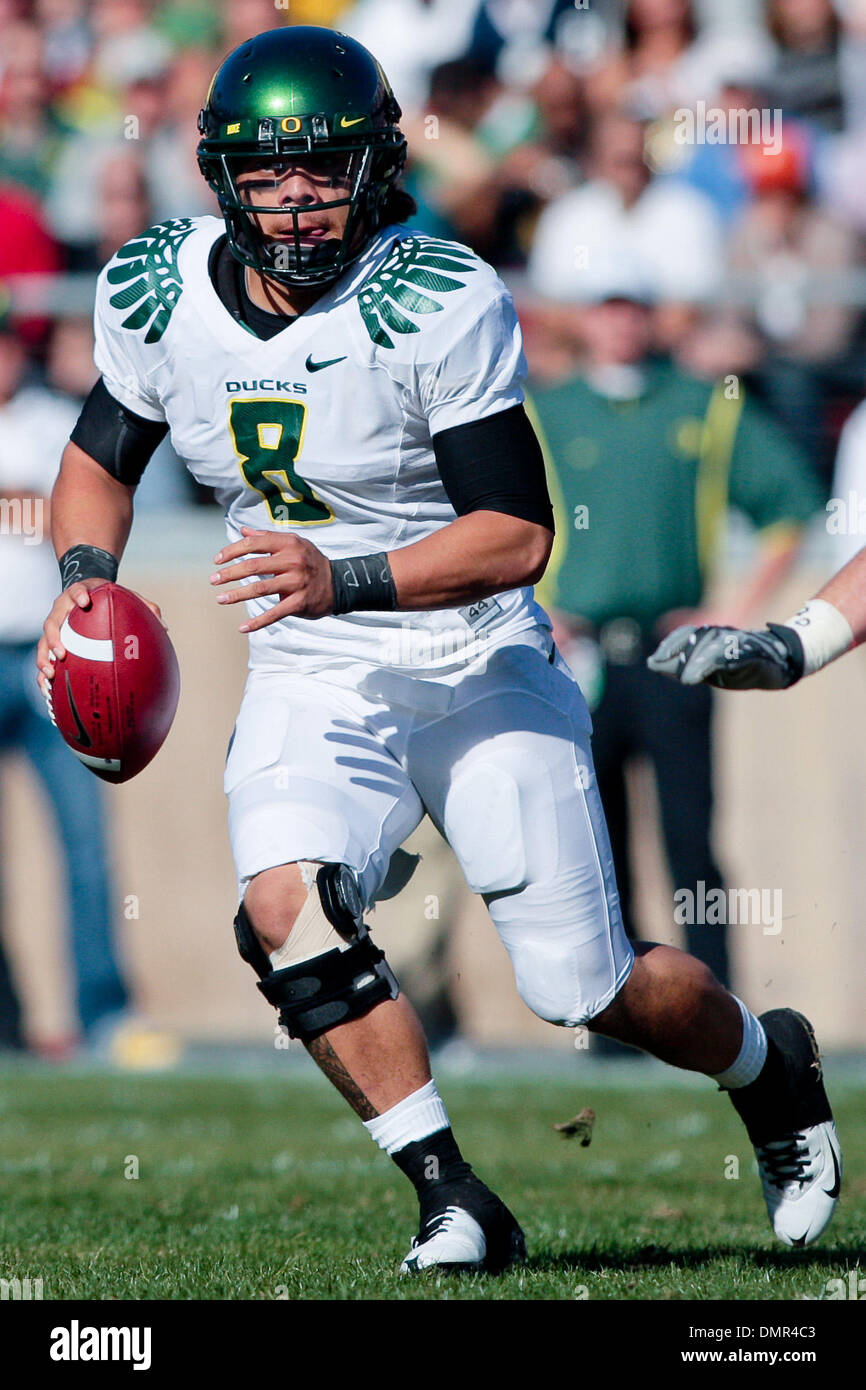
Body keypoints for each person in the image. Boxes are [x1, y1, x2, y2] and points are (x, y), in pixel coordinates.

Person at [38, 25, 840, 1271]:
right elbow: (95, 462)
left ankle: (764, 1062)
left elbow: (516, 537)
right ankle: (450, 1193)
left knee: (584, 985)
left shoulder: (435, 294)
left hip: (472, 657)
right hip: (315, 668)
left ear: (374, 167)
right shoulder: (156, 286)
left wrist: (340, 573)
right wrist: (87, 581)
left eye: (321, 168)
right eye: (269, 170)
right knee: (284, 912)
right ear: (220, 176)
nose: (296, 198)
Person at [530, 265, 822, 991]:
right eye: (606, 308)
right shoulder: (544, 412)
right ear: (582, 319)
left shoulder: (703, 405)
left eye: (634, 309)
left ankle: (717, 1007)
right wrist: (533, 611)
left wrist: (733, 611)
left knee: (692, 844)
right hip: (579, 658)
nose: (620, 324)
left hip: (672, 655)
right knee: (596, 852)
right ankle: (611, 1015)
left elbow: (790, 507)